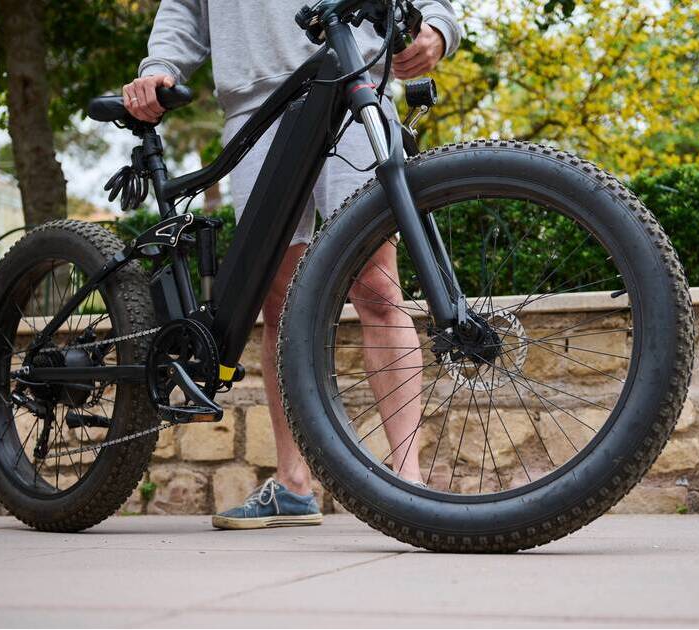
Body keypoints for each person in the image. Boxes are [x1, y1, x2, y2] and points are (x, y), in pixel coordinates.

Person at [123, 1, 460, 529]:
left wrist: (439, 27)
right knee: (277, 303)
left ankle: (408, 480)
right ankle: (292, 483)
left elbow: (434, 10)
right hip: (255, 106)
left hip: (355, 87)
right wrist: (161, 65)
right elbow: (184, 7)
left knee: (377, 289)